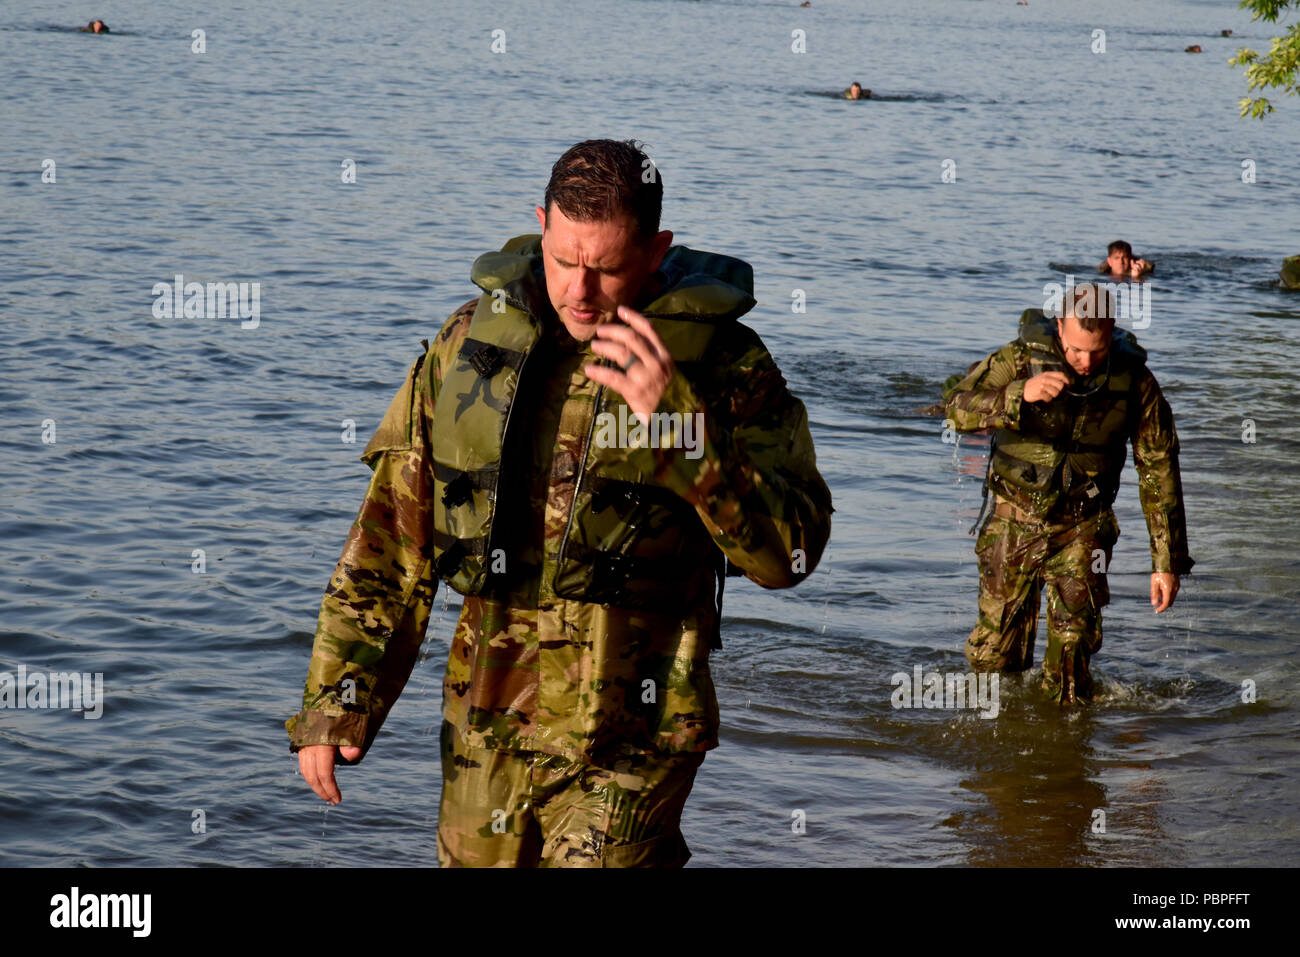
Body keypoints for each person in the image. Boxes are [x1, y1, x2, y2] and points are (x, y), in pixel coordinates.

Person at [286, 139, 834, 867]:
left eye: (606, 268)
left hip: (635, 745)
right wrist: (341, 695)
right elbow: (392, 535)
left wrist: (688, 436)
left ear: (656, 249)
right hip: (486, 728)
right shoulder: (468, 348)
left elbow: (789, 554)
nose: (580, 289)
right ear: (540, 224)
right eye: (565, 258)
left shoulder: (726, 369)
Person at [942, 284, 1192, 704]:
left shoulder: (1135, 383)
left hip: (1083, 526)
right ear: (1059, 326)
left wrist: (1166, 562)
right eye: (1076, 350)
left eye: (1096, 352)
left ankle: (1068, 751)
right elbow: (955, 409)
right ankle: (1000, 753)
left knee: (1072, 658)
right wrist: (1018, 395)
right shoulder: (1019, 359)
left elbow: (1159, 468)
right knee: (995, 660)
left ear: (1111, 331)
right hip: (1014, 520)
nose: (1086, 362)